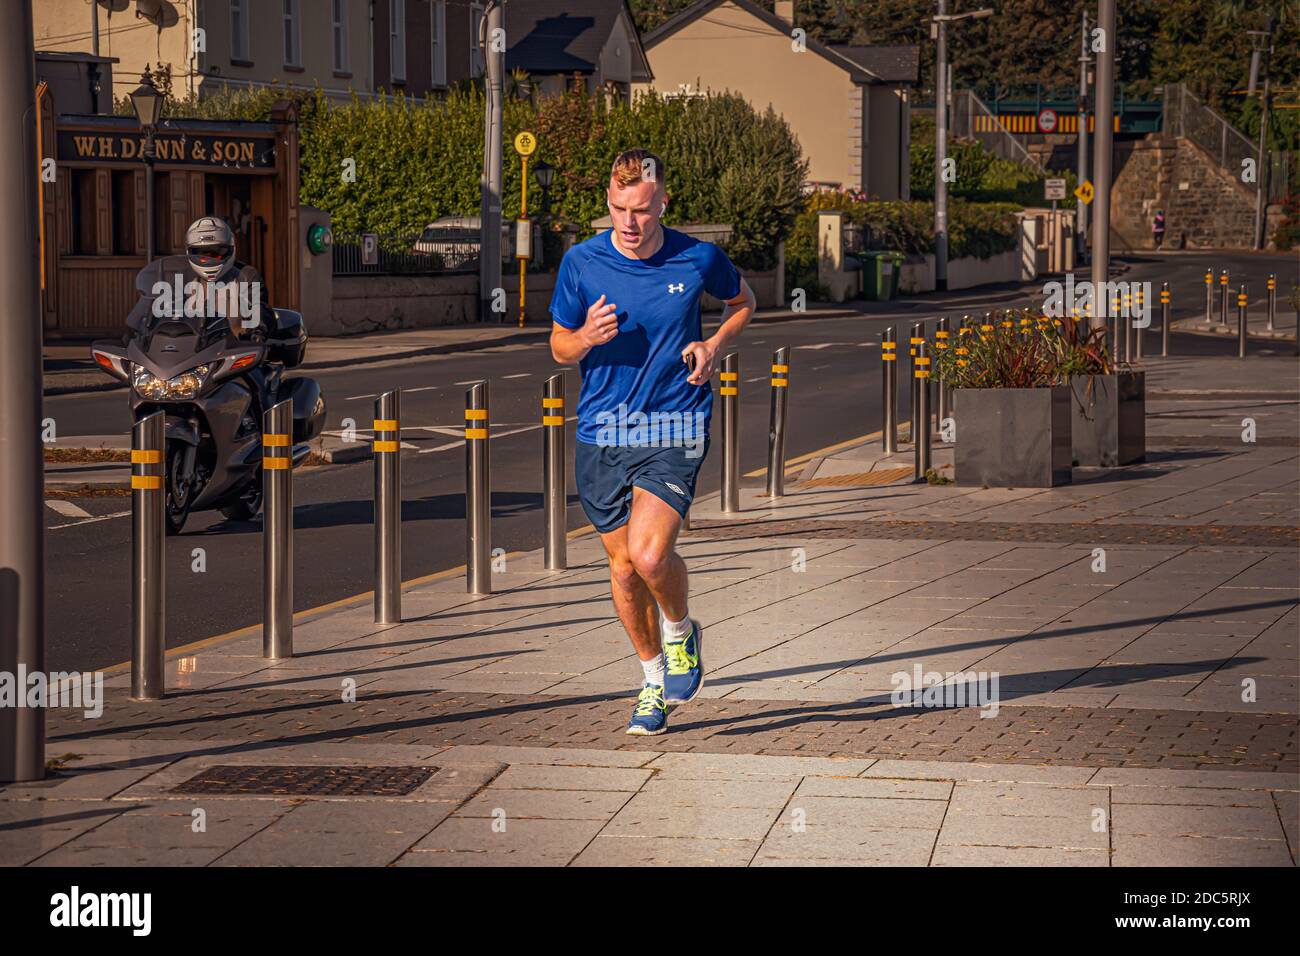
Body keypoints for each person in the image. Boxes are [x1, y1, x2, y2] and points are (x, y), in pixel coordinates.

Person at [549, 149, 756, 736]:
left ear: (663, 200)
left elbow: (744, 303)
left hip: (675, 423)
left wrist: (714, 346)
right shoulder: (581, 263)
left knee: (649, 555)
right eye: (618, 209)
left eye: (641, 210)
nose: (629, 224)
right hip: (601, 431)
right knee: (621, 570)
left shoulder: (699, 257)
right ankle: (650, 680)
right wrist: (585, 336)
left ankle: (679, 629)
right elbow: (558, 346)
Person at [184, 216, 270, 337]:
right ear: (191, 253)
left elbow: (258, 307)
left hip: (233, 348)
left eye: (215, 253)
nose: (209, 259)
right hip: (192, 348)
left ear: (230, 249)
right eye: (203, 254)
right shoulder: (184, 278)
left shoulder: (246, 275)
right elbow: (166, 311)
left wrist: (257, 331)